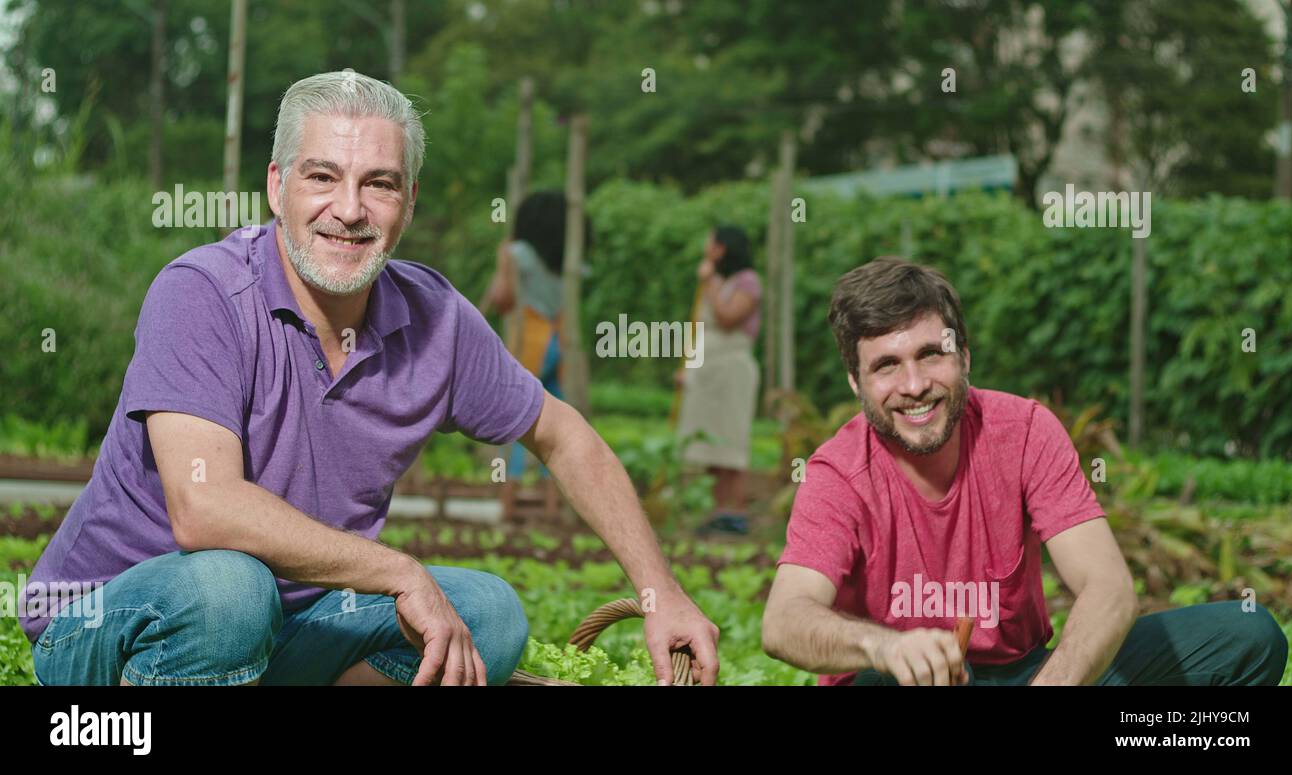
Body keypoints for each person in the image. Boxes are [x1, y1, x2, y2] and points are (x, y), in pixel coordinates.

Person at [20, 71, 719, 687]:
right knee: (230, 589)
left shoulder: (434, 318)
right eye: (322, 176)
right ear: (276, 185)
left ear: (407, 202)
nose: (349, 209)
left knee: (489, 614)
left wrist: (662, 592)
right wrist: (398, 572)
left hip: (289, 625)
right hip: (108, 621)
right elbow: (206, 509)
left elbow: (563, 434)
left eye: (378, 183)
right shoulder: (202, 292)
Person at [761, 256, 1289, 685]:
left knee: (1247, 635)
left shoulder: (1024, 430)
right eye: (886, 365)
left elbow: (1109, 588)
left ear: (964, 357)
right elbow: (784, 621)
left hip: (1027, 676)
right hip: (900, 681)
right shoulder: (838, 472)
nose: (915, 384)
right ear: (856, 383)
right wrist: (886, 645)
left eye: (931, 354)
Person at [480, 190, 571, 522]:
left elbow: (502, 298)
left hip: (531, 340)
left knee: (516, 420)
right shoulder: (564, 260)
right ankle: (551, 506)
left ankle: (509, 501)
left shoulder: (519, 254)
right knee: (556, 422)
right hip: (559, 341)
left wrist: (503, 262)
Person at [676, 225, 762, 535]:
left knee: (731, 439)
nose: (706, 248)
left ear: (723, 248)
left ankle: (736, 511)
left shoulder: (747, 282)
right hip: (707, 371)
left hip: (732, 371)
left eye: (710, 243)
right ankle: (717, 510)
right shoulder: (719, 281)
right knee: (709, 442)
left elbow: (727, 317)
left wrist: (709, 281)